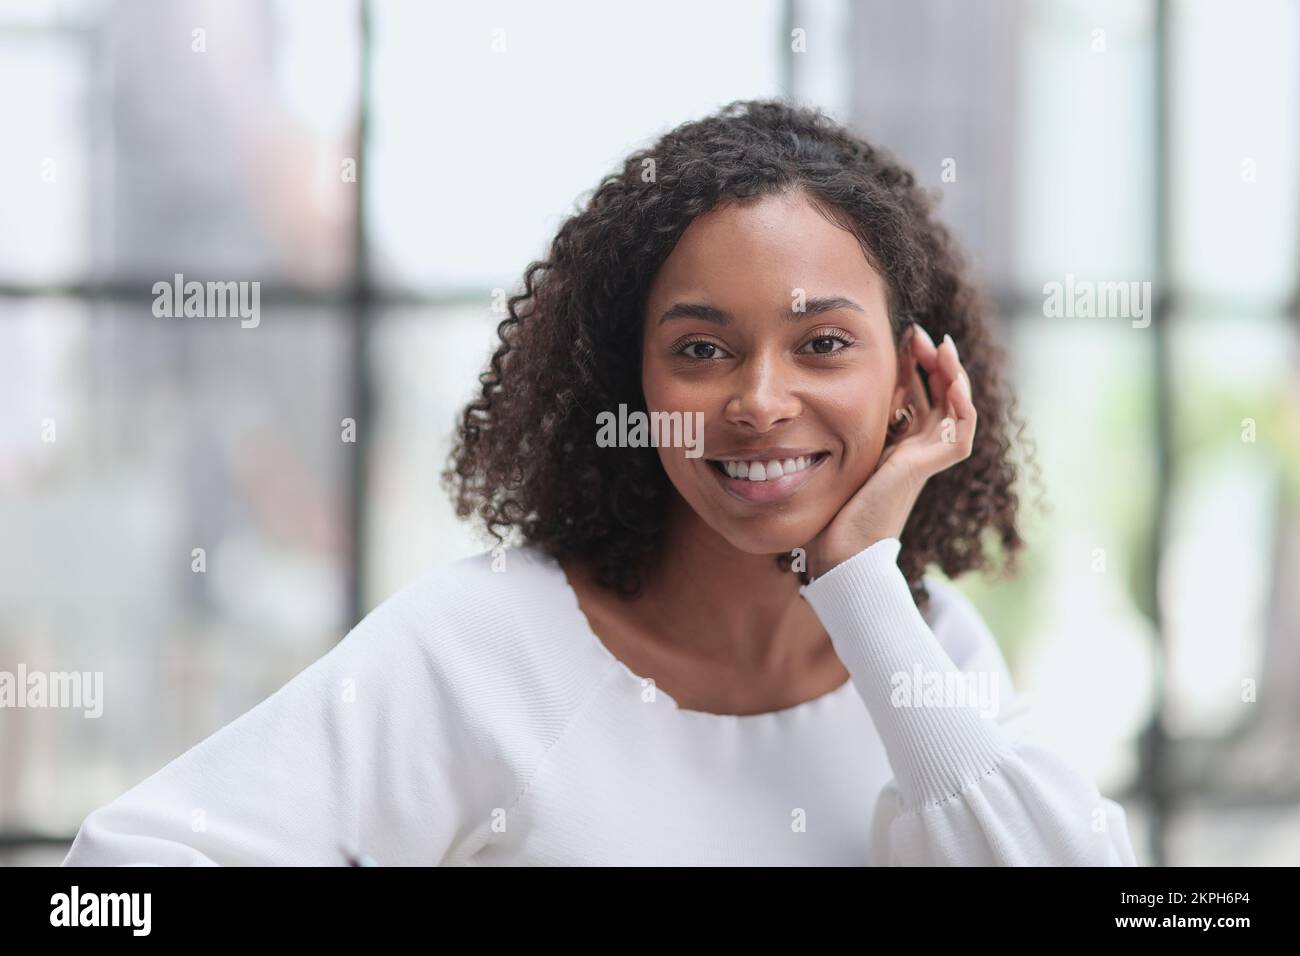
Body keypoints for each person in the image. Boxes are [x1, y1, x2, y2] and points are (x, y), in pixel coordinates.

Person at [64, 99, 1137, 866]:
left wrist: (856, 579)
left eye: (820, 344)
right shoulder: (489, 642)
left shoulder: (928, 648)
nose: (759, 401)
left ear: (910, 382)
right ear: (630, 381)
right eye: (703, 351)